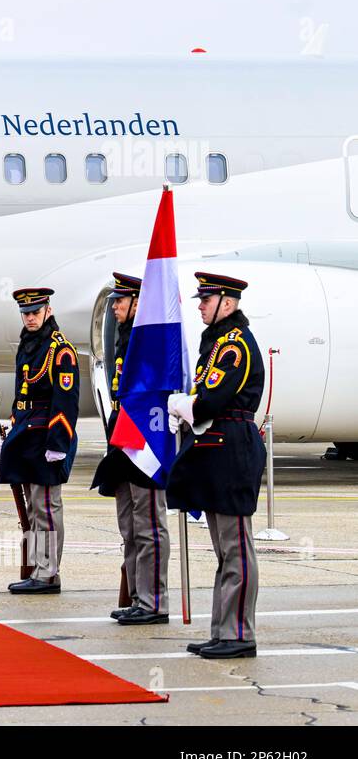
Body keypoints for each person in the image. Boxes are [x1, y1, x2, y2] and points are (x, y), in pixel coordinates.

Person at [167, 272, 265, 659]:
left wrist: (186, 406)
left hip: (233, 453)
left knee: (237, 548)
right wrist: (188, 407)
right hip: (217, 452)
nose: (200, 305)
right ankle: (225, 631)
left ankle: (240, 633)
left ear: (229, 302)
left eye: (207, 299)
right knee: (226, 550)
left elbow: (212, 399)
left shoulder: (234, 346)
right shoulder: (217, 343)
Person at [91, 272, 170, 625]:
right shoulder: (125, 340)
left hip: (146, 445)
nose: (115, 308)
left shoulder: (149, 343)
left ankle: (154, 601)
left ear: (138, 303)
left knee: (149, 526)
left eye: (120, 302)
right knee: (129, 526)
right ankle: (139, 597)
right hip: (124, 441)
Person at [0, 288, 79, 594]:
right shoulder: (27, 345)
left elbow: (66, 402)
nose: (30, 318)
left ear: (48, 309)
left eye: (35, 312)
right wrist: (15, 420)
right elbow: (23, 392)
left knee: (46, 507)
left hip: (47, 437)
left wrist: (59, 443)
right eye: (26, 313)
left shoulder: (60, 350)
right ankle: (36, 567)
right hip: (28, 436)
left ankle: (48, 573)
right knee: (33, 508)